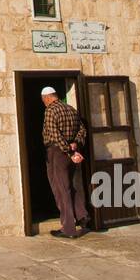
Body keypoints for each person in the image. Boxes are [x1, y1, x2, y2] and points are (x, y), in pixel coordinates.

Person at [41, 86, 88, 239]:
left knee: (61, 189)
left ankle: (68, 228)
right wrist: (75, 144)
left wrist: (67, 150)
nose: (44, 103)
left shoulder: (50, 110)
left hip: (57, 153)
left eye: (43, 100)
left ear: (47, 97)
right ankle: (82, 215)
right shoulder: (70, 108)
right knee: (73, 185)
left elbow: (54, 134)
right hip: (71, 151)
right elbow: (82, 130)